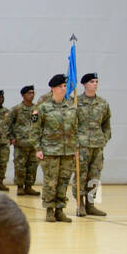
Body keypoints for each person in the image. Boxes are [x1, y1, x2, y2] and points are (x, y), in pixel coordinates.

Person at [36, 74, 78, 222]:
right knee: (51, 181)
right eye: (61, 86)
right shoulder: (43, 108)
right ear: (53, 88)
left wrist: (76, 148)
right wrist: (38, 149)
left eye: (65, 86)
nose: (64, 88)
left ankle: (60, 209)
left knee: (64, 180)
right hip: (50, 151)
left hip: (68, 151)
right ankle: (49, 209)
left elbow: (76, 129)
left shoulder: (72, 108)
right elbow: (34, 130)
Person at [76, 73, 111, 216]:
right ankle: (81, 205)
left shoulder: (103, 103)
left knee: (95, 176)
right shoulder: (76, 102)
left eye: (96, 81)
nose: (95, 84)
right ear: (84, 84)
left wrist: (104, 138)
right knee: (81, 175)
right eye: (91, 81)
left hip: (97, 145)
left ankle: (91, 204)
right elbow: (70, 124)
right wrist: (74, 143)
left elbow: (106, 124)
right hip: (82, 145)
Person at [8, 85, 41, 196]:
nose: (31, 95)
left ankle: (29, 187)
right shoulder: (16, 109)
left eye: (33, 93)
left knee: (32, 166)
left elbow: (40, 125)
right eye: (29, 93)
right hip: (20, 143)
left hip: (33, 143)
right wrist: (11, 138)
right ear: (23, 95)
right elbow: (7, 124)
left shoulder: (37, 109)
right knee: (20, 166)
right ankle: (20, 187)